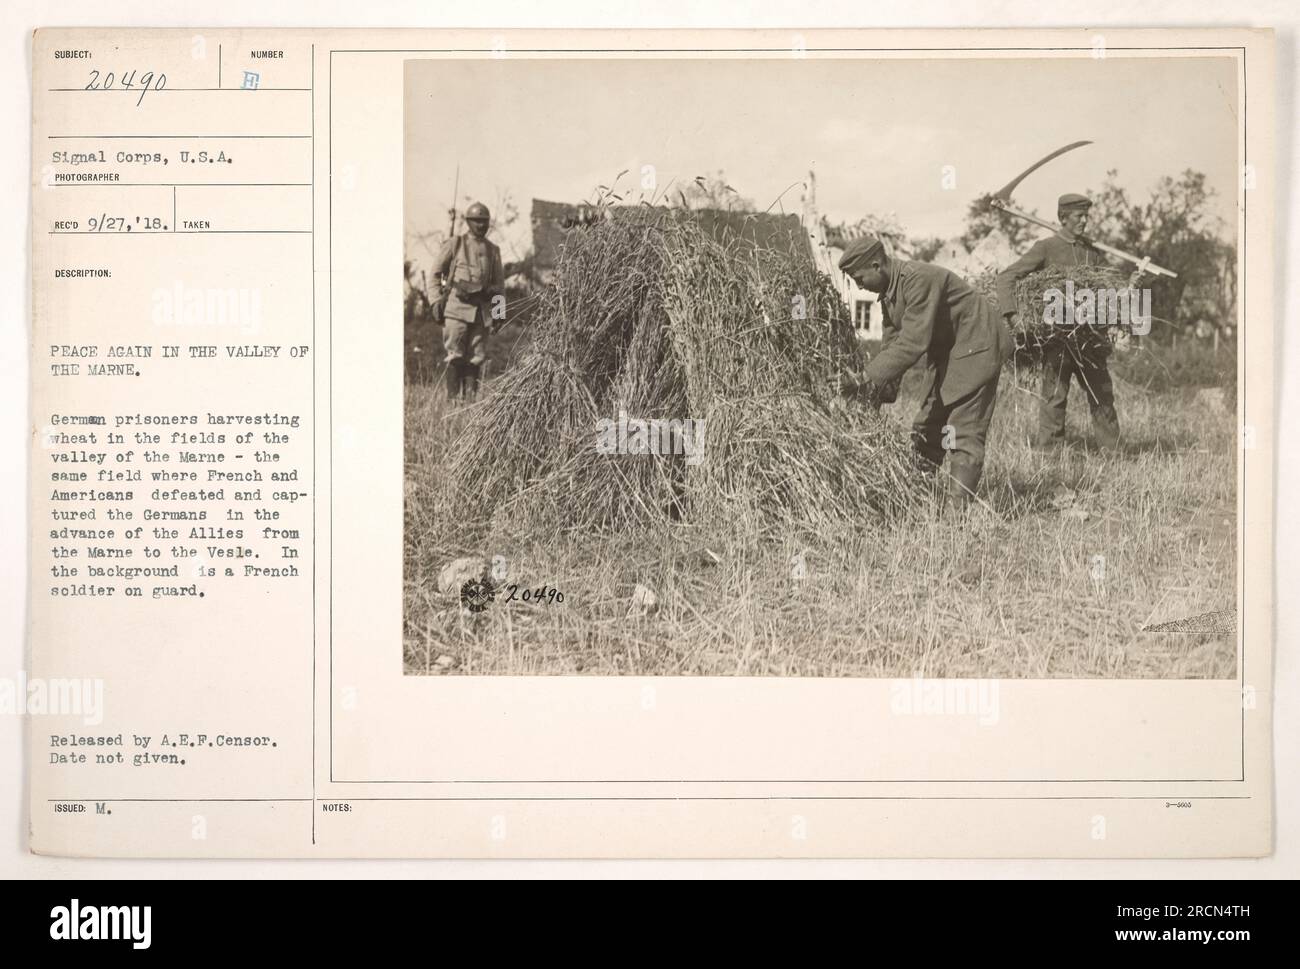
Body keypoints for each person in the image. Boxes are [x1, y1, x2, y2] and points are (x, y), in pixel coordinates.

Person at [834, 237, 1013, 506]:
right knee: (927, 425)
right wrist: (876, 390)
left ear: (876, 265)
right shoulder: (891, 294)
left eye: (859, 278)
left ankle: (956, 515)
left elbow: (913, 342)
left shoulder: (918, 279)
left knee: (962, 429)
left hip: (979, 344)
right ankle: (918, 495)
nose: (858, 285)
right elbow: (893, 343)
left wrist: (863, 378)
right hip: (949, 352)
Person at [995, 192, 1120, 450]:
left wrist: (1135, 282)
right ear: (1063, 218)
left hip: (1090, 339)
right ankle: (1048, 461)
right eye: (1079, 216)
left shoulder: (1093, 253)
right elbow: (1006, 277)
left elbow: (1110, 286)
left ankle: (1113, 454)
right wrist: (1013, 316)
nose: (1085, 221)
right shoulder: (1046, 248)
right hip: (1057, 339)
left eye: (1086, 215)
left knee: (1103, 396)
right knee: (1054, 399)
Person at [433, 201, 505, 400]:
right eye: (476, 221)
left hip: (482, 312)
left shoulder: (493, 250)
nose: (481, 225)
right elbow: (435, 273)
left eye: (484, 221)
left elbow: (499, 285)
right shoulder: (455, 244)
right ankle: (453, 403)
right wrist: (435, 301)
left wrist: (499, 314)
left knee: (477, 357)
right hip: (456, 309)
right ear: (467, 221)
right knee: (455, 355)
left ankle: (470, 403)